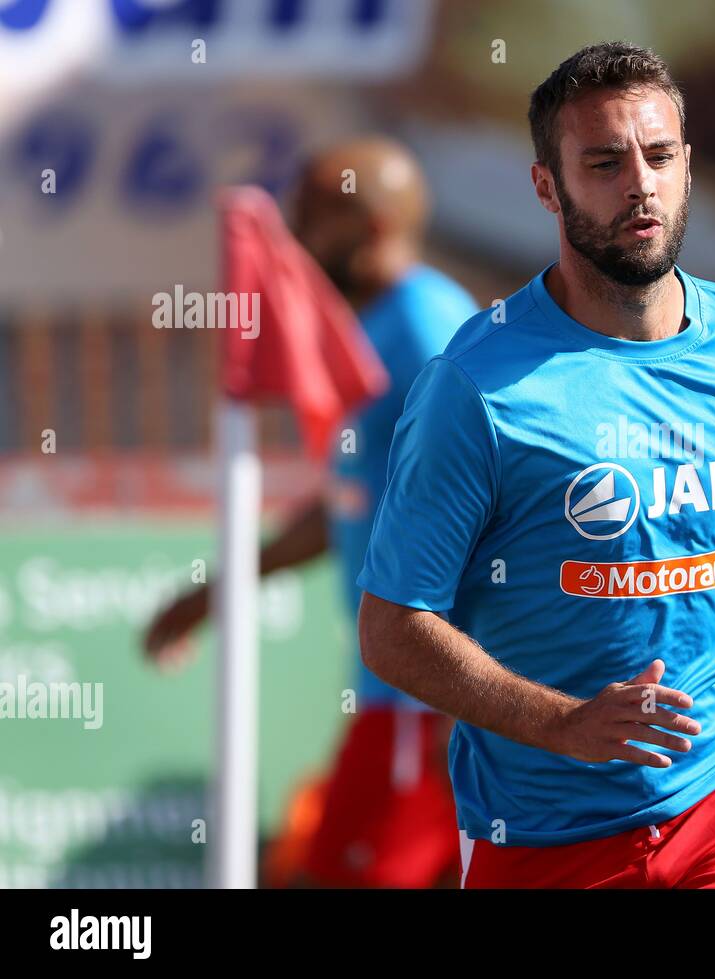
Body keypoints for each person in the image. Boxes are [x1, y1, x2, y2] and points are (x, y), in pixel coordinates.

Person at [356, 42, 715, 890]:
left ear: (690, 168)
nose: (639, 184)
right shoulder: (476, 388)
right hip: (547, 830)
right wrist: (564, 721)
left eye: (660, 156)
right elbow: (393, 629)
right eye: (603, 163)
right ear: (547, 187)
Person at [142, 137, 479, 888]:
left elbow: (492, 509)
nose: (294, 235)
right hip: (397, 688)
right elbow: (346, 504)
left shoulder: (429, 331)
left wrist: (465, 692)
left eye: (313, 215)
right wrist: (218, 590)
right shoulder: (367, 328)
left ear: (373, 229)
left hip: (430, 695)